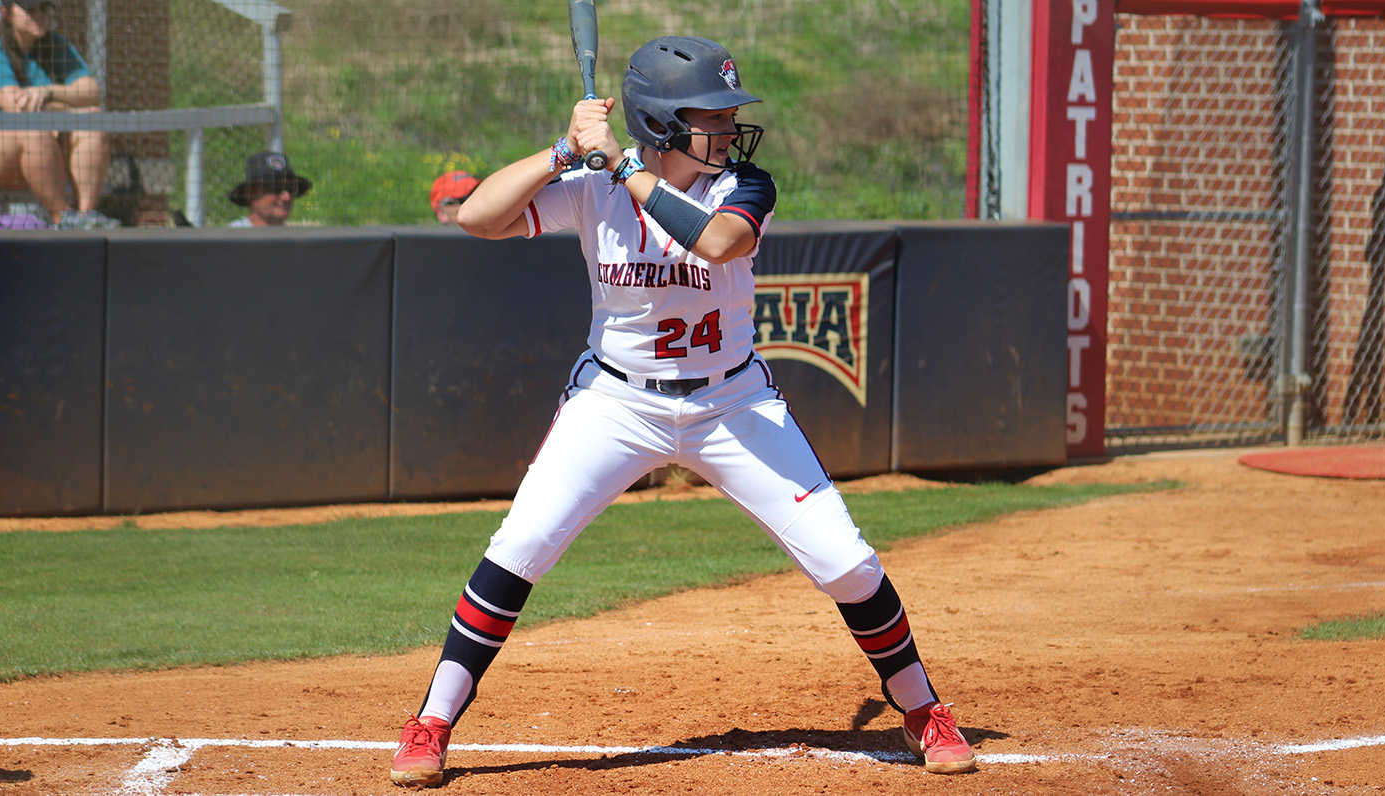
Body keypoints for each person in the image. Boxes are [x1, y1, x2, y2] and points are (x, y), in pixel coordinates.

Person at [386, 36, 976, 788]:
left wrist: (624, 166)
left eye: (731, 115)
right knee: (521, 544)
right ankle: (430, 723)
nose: (729, 129)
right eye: (713, 115)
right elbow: (476, 217)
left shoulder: (744, 186)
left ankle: (923, 708)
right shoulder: (593, 187)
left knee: (847, 562)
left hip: (733, 401)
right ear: (662, 122)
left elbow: (719, 244)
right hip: (615, 400)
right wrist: (563, 150)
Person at [0, 0, 119, 229]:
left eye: (44, 9)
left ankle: (85, 218)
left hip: (48, 152)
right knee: (33, 132)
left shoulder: (55, 46)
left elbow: (91, 93)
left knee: (93, 123)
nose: (39, 15)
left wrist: (49, 91)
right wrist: (71, 111)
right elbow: (19, 107)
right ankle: (62, 218)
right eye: (30, 10)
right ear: (6, 13)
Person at [228, 151, 310, 227]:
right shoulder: (231, 238)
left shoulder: (296, 240)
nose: (287, 197)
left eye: (290, 189)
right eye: (277, 189)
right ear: (250, 193)